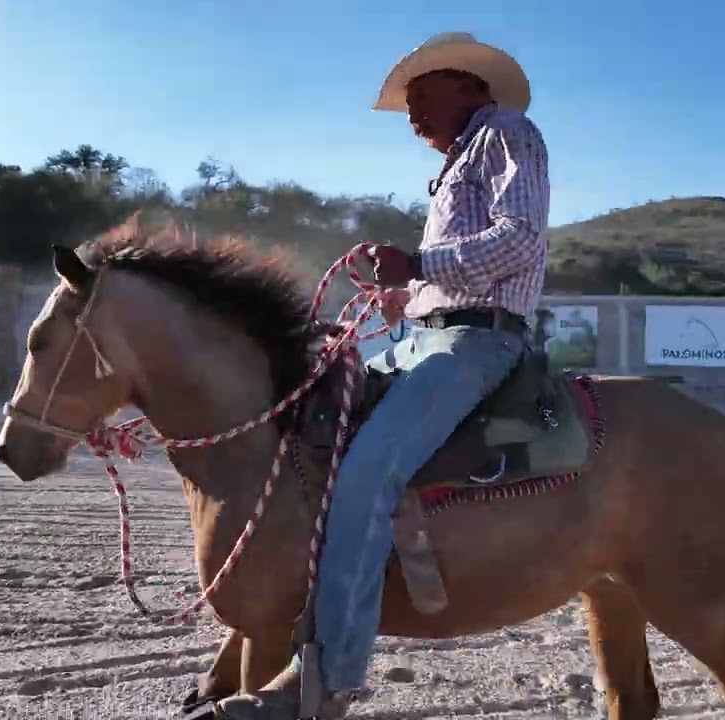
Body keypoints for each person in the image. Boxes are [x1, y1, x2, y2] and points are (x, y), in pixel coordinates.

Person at [217, 31, 551, 720]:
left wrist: (420, 268)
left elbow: (521, 239)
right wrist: (407, 297)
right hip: (425, 335)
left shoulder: (508, 133)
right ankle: (261, 628)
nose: (411, 116)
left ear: (472, 87)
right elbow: (459, 274)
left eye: (421, 97)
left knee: (369, 471)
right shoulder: (458, 162)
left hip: (478, 346)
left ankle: (327, 684)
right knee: (304, 427)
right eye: (407, 106)